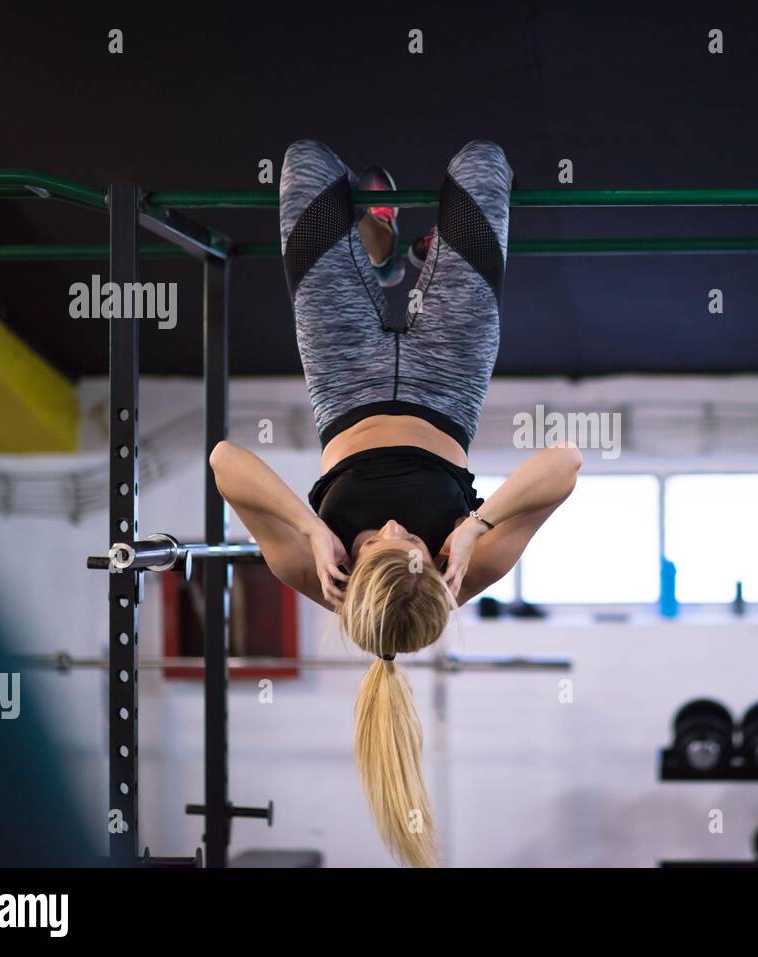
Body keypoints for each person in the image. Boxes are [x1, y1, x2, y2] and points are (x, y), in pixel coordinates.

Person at [210, 139, 581, 867]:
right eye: (405, 535)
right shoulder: (466, 570)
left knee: (304, 165)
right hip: (449, 376)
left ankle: (381, 255)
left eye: (369, 538)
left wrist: (312, 529)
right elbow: (566, 461)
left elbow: (225, 460)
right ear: (432, 565)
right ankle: (405, 249)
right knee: (483, 161)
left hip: (342, 380)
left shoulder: (314, 572)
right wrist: (477, 525)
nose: (384, 523)